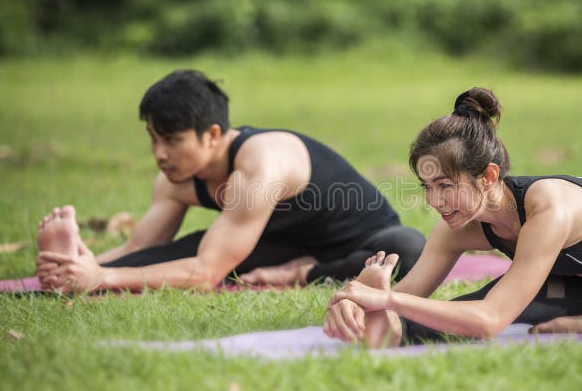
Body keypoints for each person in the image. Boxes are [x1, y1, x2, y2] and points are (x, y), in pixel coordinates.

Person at [324, 87, 582, 347]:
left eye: (445, 186)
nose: (435, 201)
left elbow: (489, 322)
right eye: (426, 187)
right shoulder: (456, 228)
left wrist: (387, 298)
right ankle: (393, 339)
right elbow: (409, 298)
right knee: (468, 309)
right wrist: (355, 303)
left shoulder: (549, 208)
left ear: (488, 176)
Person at [35, 70, 425, 293]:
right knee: (180, 253)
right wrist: (82, 264)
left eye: (172, 141)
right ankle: (70, 267)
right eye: (153, 139)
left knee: (409, 248)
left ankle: (302, 273)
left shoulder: (261, 164)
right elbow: (141, 247)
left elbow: (206, 274)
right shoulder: (172, 181)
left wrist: (101, 279)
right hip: (280, 244)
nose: (160, 154)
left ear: (212, 135)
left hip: (359, 245)